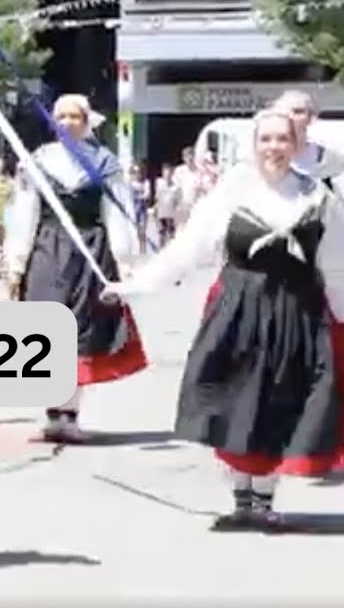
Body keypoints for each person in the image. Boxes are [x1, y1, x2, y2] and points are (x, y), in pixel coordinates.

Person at [101, 109, 344, 532]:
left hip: (296, 309)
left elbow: (336, 266)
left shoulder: (319, 198)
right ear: (254, 145)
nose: (274, 147)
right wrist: (136, 285)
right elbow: (187, 249)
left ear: (296, 145)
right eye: (266, 139)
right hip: (239, 308)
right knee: (234, 399)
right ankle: (241, 497)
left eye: (282, 139)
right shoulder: (231, 192)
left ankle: (263, 499)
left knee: (280, 399)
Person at [3, 93, 147, 443]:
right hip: (48, 249)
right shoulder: (37, 161)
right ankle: (53, 412)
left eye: (75, 117)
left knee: (82, 329)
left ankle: (68, 413)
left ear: (87, 122)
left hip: (91, 251)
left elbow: (117, 213)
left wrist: (125, 262)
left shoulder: (105, 163)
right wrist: (16, 263)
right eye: (62, 117)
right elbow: (24, 213)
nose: (68, 123)